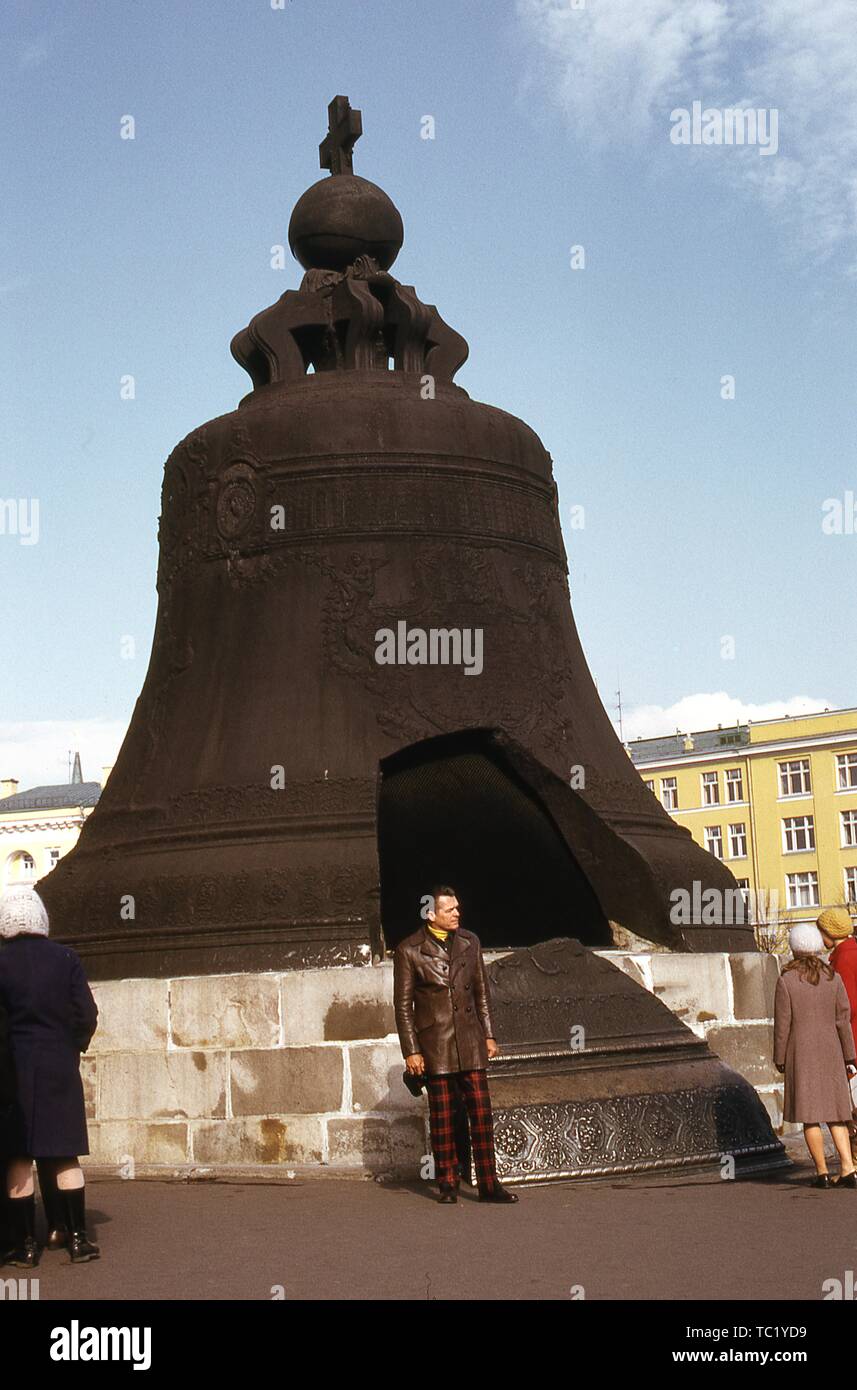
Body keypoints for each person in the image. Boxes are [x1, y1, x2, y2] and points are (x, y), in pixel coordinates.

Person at [393, 885, 518, 1205]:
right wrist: (412, 1051)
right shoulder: (409, 950)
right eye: (450, 910)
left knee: (481, 1113)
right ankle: (448, 1183)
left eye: (458, 909)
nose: (457, 914)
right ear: (431, 914)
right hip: (436, 1044)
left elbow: (481, 992)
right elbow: (403, 1006)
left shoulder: (470, 942)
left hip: (470, 1039)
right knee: (443, 1117)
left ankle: (489, 1184)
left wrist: (489, 1035)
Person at [0, 884, 100, 1266]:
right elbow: (86, 1015)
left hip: (15, 1070)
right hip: (59, 1066)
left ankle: (25, 1246)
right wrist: (71, 1046)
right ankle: (77, 1239)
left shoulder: (1, 961)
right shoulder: (66, 958)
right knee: (64, 1156)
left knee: (19, 1158)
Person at [773, 922, 857, 1189]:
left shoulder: (786, 980)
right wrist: (850, 1056)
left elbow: (782, 1023)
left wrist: (780, 1057)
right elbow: (843, 1021)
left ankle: (821, 1173)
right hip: (831, 1050)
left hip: (801, 1052)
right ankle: (848, 1168)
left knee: (810, 1116)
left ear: (795, 948)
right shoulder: (834, 978)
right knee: (837, 1113)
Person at [817, 906, 857, 1162]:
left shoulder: (844, 958)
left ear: (831, 932)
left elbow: (846, 1005)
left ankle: (853, 1160)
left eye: (822, 931)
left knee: (851, 1105)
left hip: (853, 1037)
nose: (820, 937)